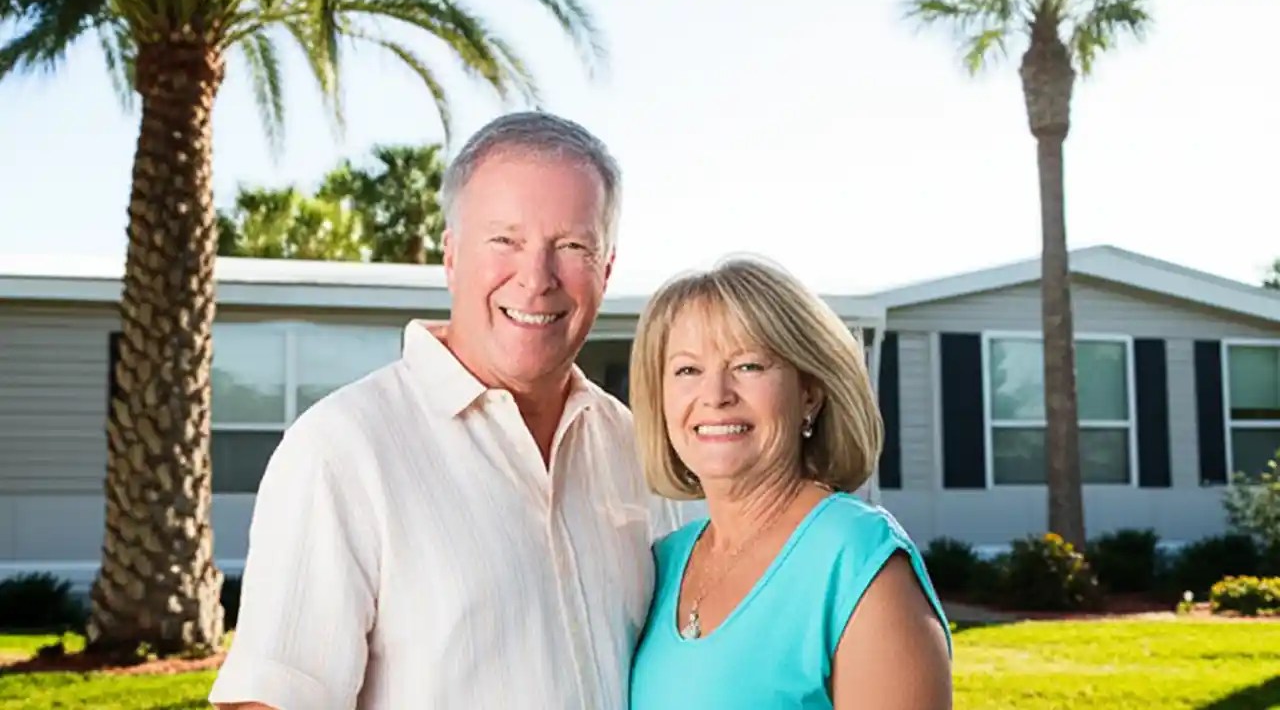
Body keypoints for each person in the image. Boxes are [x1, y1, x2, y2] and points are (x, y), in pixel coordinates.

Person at [209, 111, 686, 710]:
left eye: (571, 246)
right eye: (505, 240)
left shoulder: (637, 450)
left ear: (606, 269)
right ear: (452, 256)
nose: (536, 278)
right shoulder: (342, 449)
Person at [626, 257, 953, 709]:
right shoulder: (662, 563)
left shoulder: (855, 558)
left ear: (809, 395)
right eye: (687, 370)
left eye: (749, 365)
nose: (716, 395)